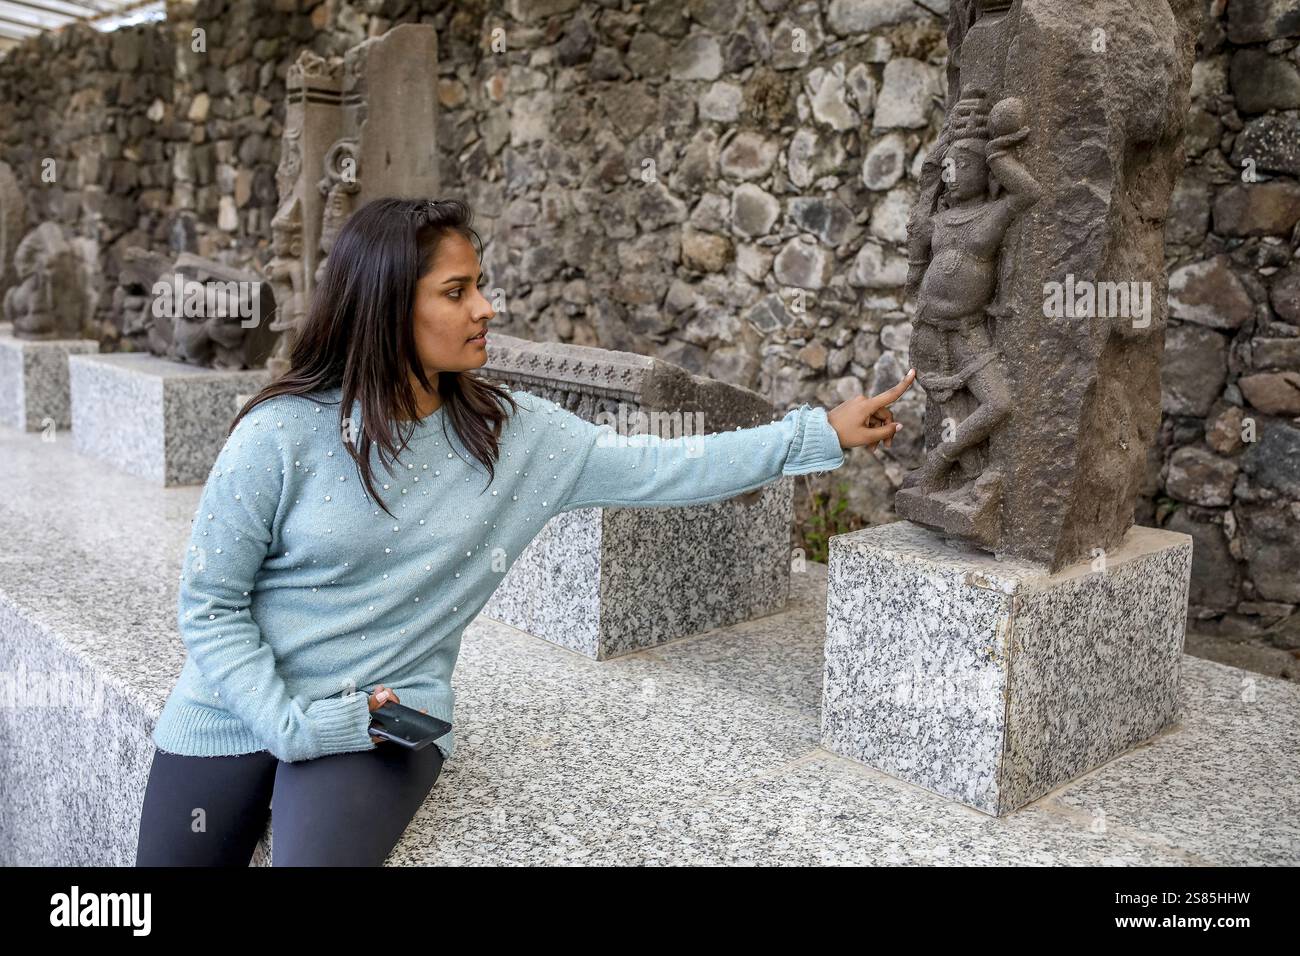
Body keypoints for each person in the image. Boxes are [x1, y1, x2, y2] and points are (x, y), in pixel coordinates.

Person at [134, 197, 915, 867]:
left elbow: (667, 466)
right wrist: (290, 727)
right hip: (234, 704)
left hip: (381, 710)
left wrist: (820, 434)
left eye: (481, 286)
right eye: (458, 291)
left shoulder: (516, 438)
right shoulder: (279, 433)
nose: (487, 309)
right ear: (385, 305)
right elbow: (211, 604)